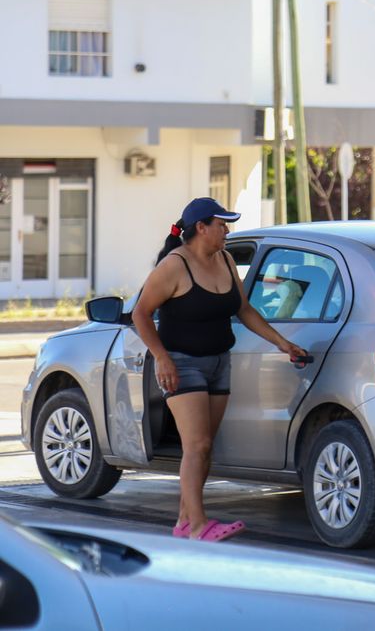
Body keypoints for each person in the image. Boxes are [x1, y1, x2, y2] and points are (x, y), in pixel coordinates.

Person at [132, 197, 307, 541]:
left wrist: (281, 342)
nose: (227, 231)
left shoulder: (225, 259)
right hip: (182, 364)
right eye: (222, 224)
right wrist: (162, 357)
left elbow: (243, 309)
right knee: (195, 445)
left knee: (206, 446)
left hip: (218, 362)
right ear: (201, 228)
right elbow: (140, 313)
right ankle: (198, 525)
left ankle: (185, 520)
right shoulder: (174, 266)